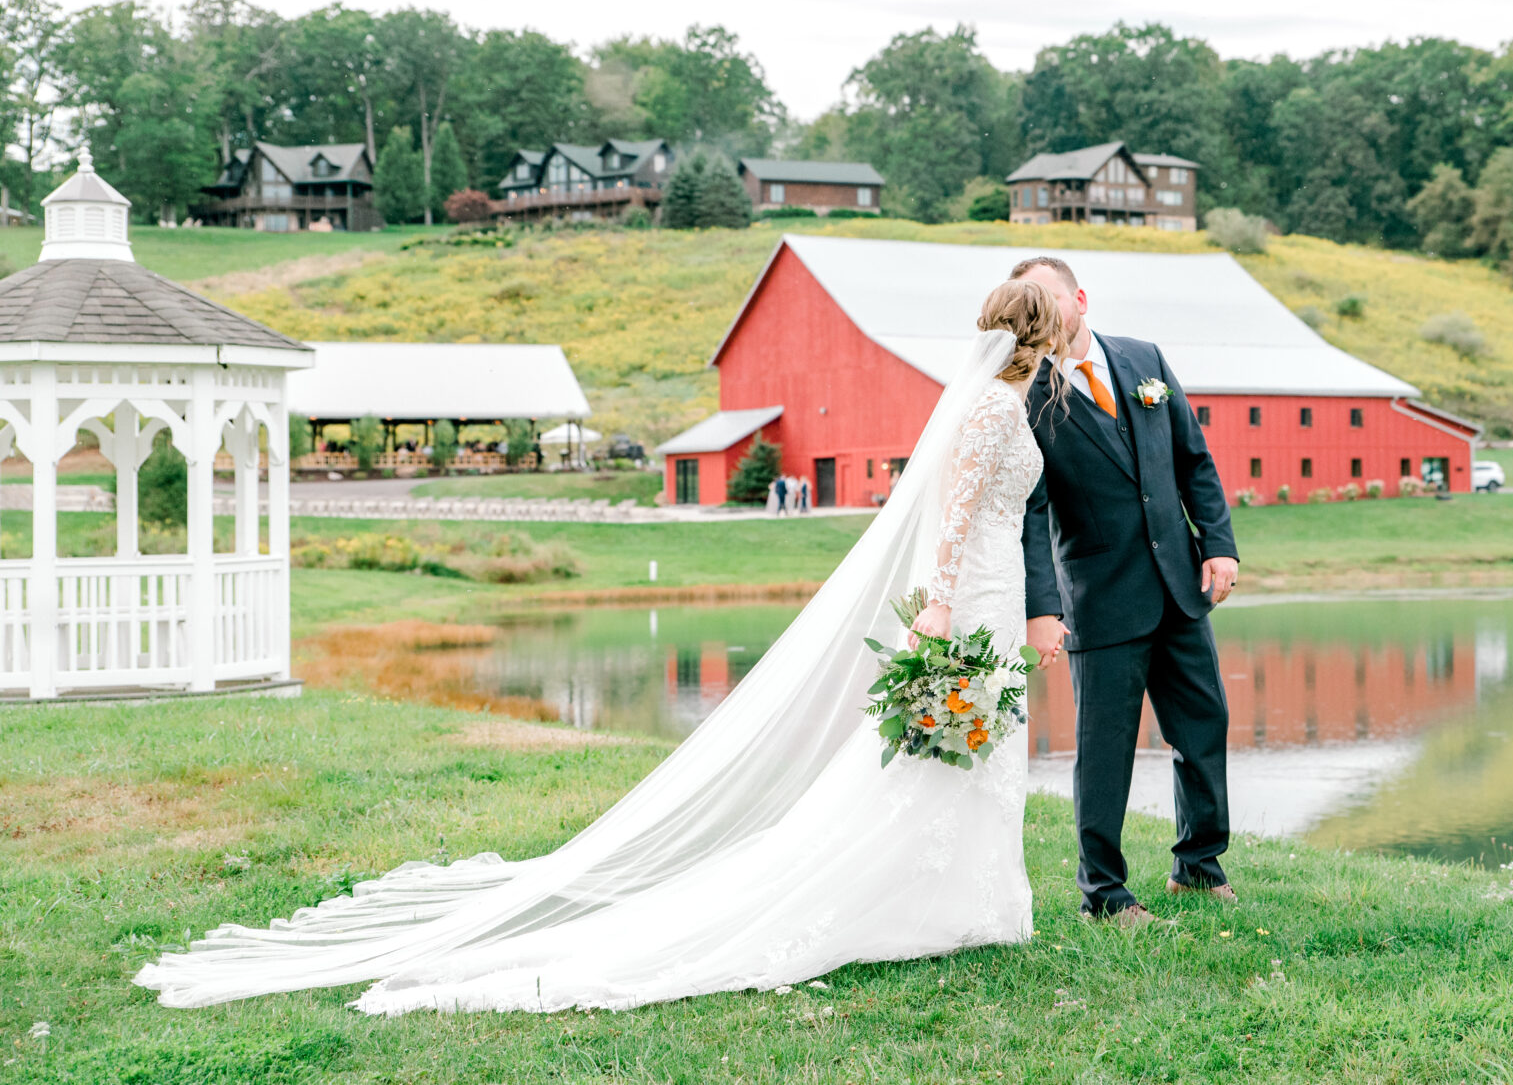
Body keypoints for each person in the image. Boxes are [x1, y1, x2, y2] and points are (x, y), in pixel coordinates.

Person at [136, 279, 1064, 1014]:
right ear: (1038, 333)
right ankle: (923, 899)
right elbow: (952, 514)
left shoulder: (1003, 402)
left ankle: (972, 898)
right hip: (970, 595)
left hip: (996, 591)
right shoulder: (990, 409)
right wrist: (939, 605)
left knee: (971, 744)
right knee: (939, 748)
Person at [1012, 255, 1240, 927]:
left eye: (1049, 299)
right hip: (1100, 597)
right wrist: (1041, 608)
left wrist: (1219, 544)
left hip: (1180, 584)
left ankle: (1199, 866)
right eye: (1028, 304)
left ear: (1080, 298)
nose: (1042, 314)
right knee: (1104, 751)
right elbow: (1029, 514)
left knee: (1205, 724)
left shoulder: (1144, 358)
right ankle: (1104, 894)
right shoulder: (1025, 395)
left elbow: (1193, 459)